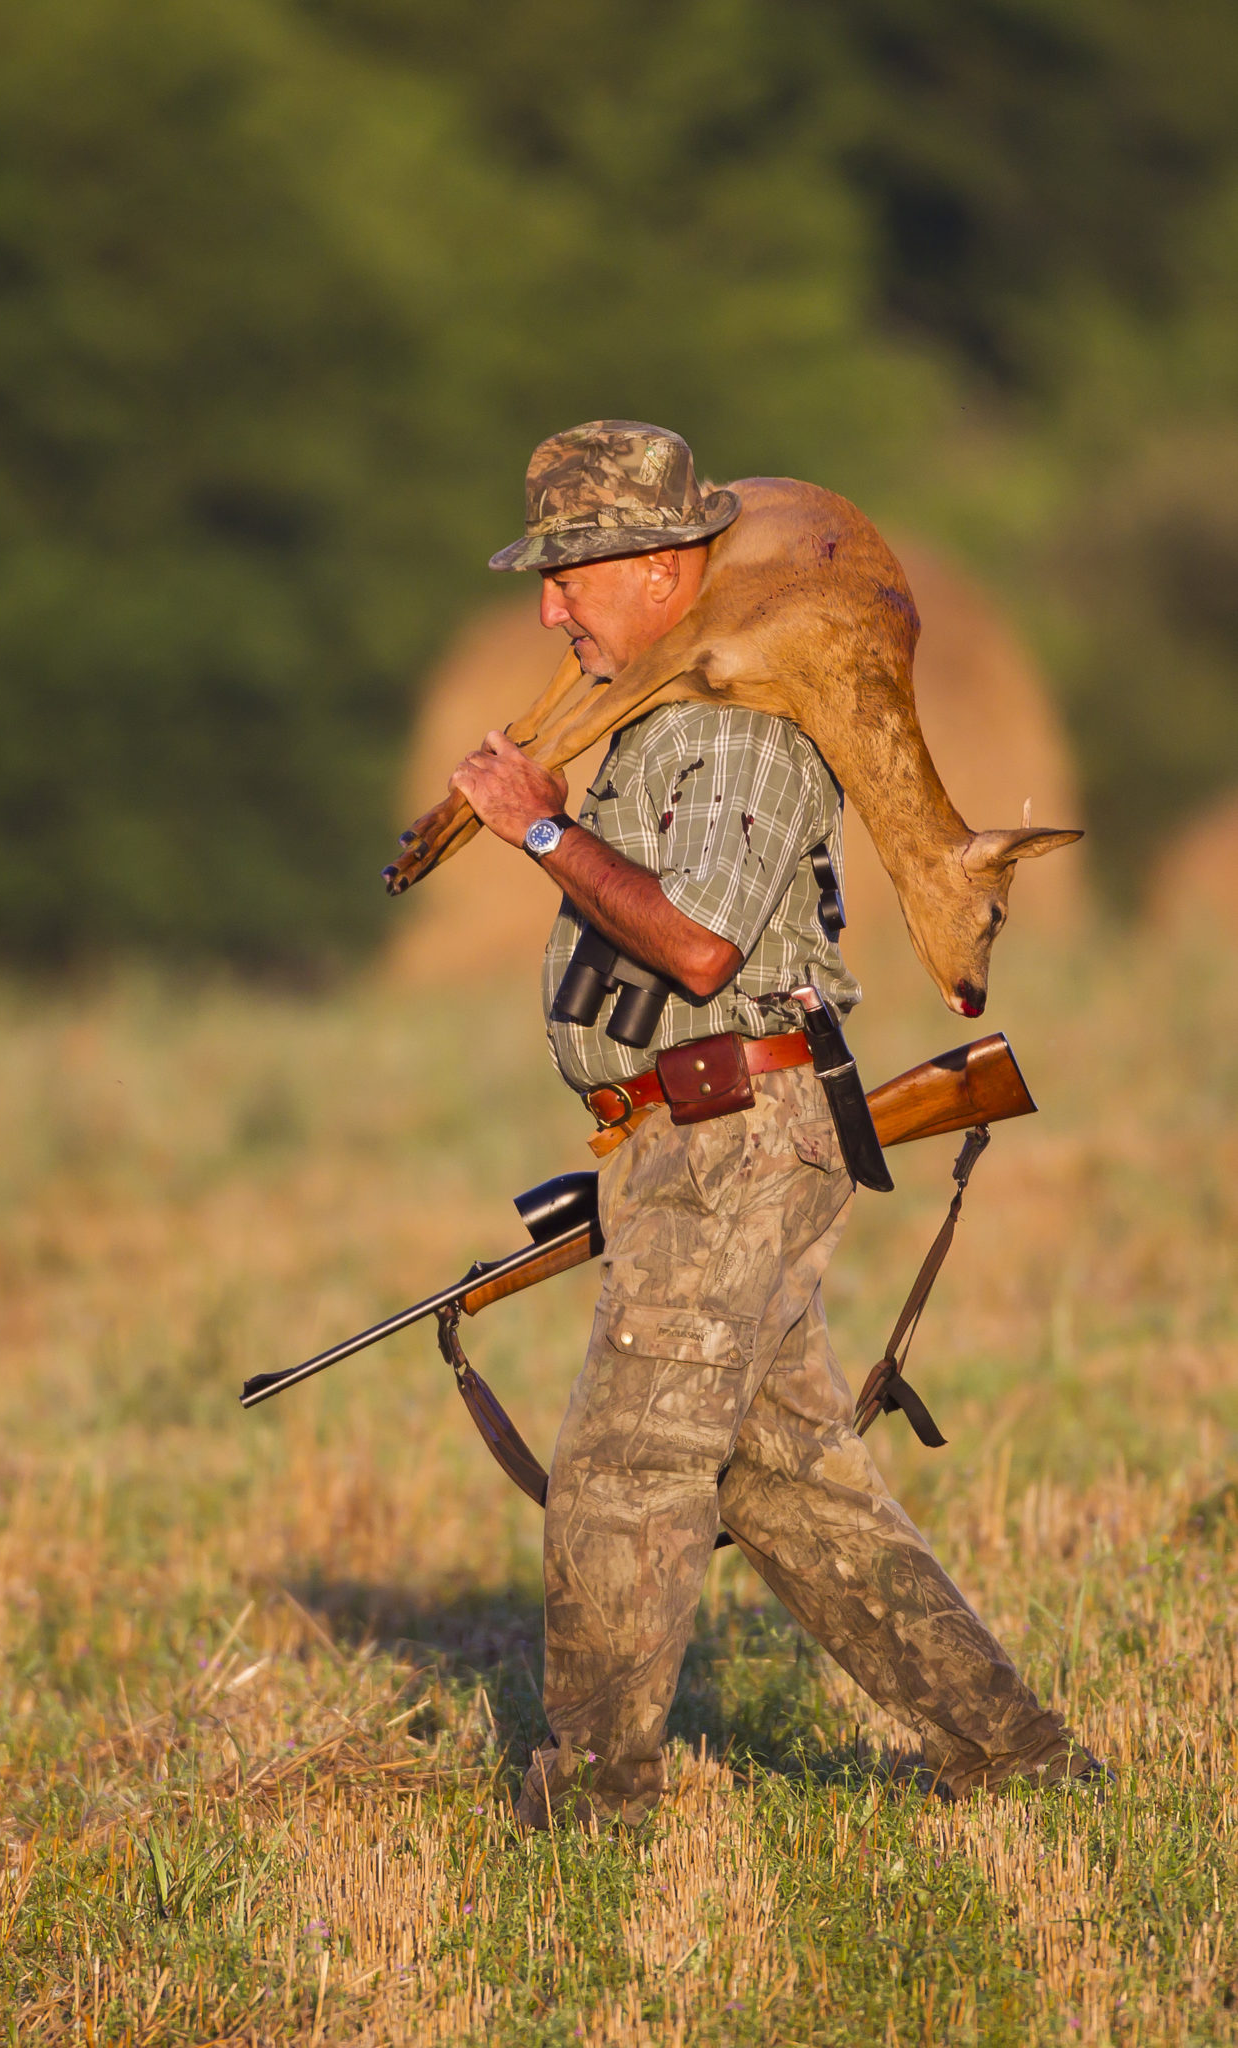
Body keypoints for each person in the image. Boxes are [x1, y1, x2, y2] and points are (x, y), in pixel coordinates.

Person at [450, 419, 1103, 1826]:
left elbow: (696, 951)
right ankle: (1016, 1756)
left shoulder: (733, 730)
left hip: (734, 1132)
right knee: (793, 1486)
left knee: (625, 1468)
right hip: (681, 1139)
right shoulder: (663, 716)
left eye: (575, 573)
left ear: (672, 566)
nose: (548, 606)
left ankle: (590, 1804)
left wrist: (543, 832)